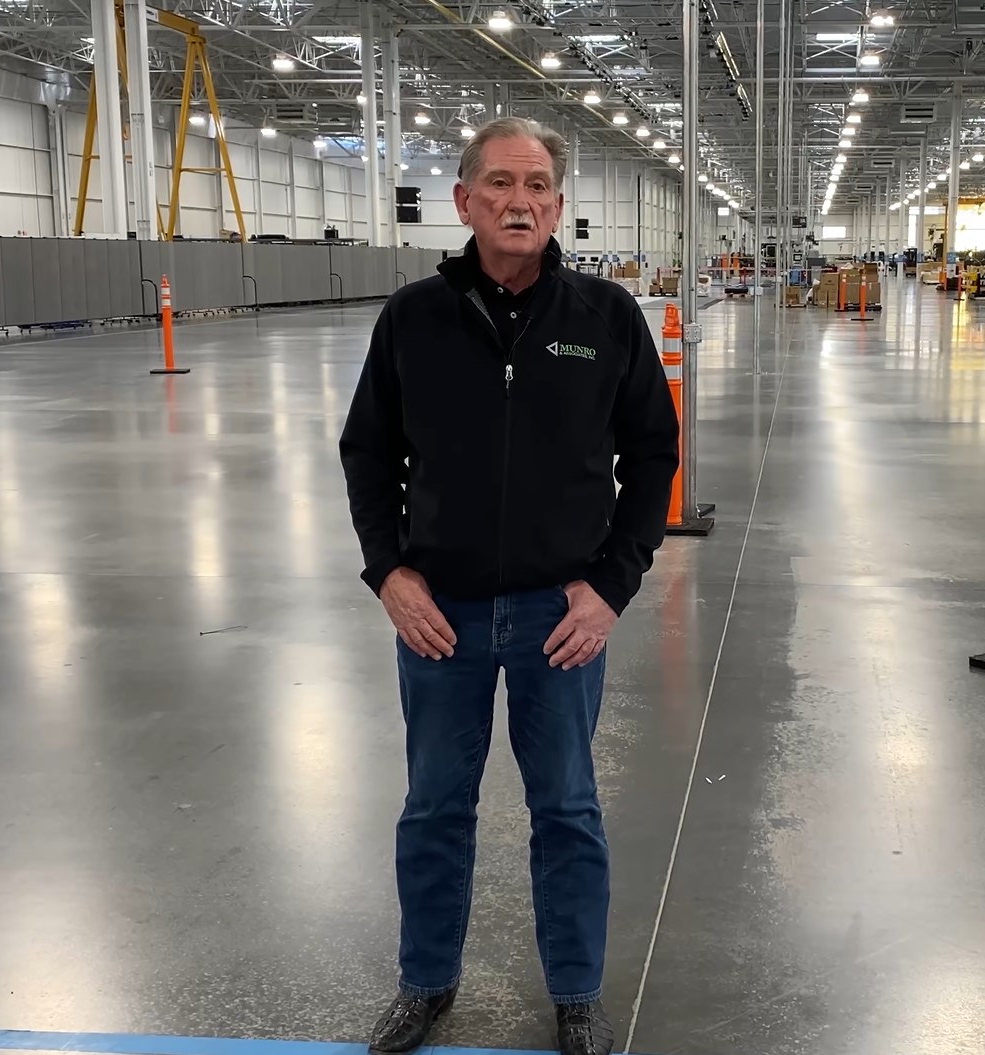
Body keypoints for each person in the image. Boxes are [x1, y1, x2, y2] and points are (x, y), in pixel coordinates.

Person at [339, 117, 680, 1055]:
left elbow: (654, 455)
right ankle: (426, 983)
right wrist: (389, 572)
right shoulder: (412, 317)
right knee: (434, 806)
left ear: (559, 205)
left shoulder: (605, 318)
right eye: (498, 184)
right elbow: (367, 452)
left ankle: (576, 992)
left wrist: (611, 586)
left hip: (558, 616)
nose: (519, 200)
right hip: (437, 614)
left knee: (567, 806)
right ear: (464, 202)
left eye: (537, 185)